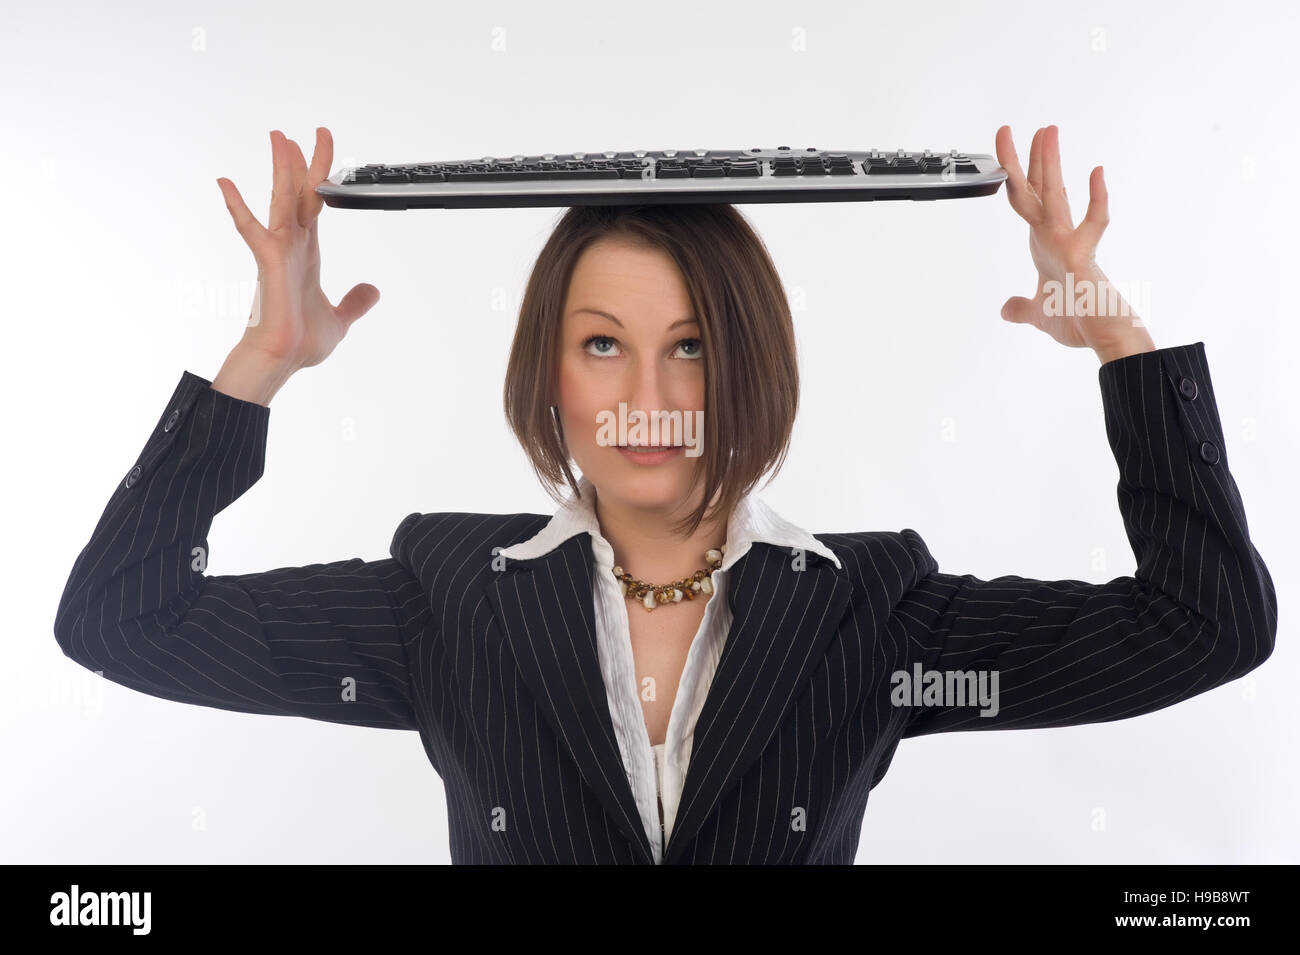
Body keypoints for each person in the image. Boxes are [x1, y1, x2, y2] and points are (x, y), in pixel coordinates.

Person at [53, 125, 1277, 864]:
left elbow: (1205, 624)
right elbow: (120, 619)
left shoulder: (874, 615)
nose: (647, 390)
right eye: (600, 344)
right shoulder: (445, 605)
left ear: (751, 361)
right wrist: (259, 364)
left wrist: (1115, 337)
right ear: (547, 368)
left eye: (690, 343)